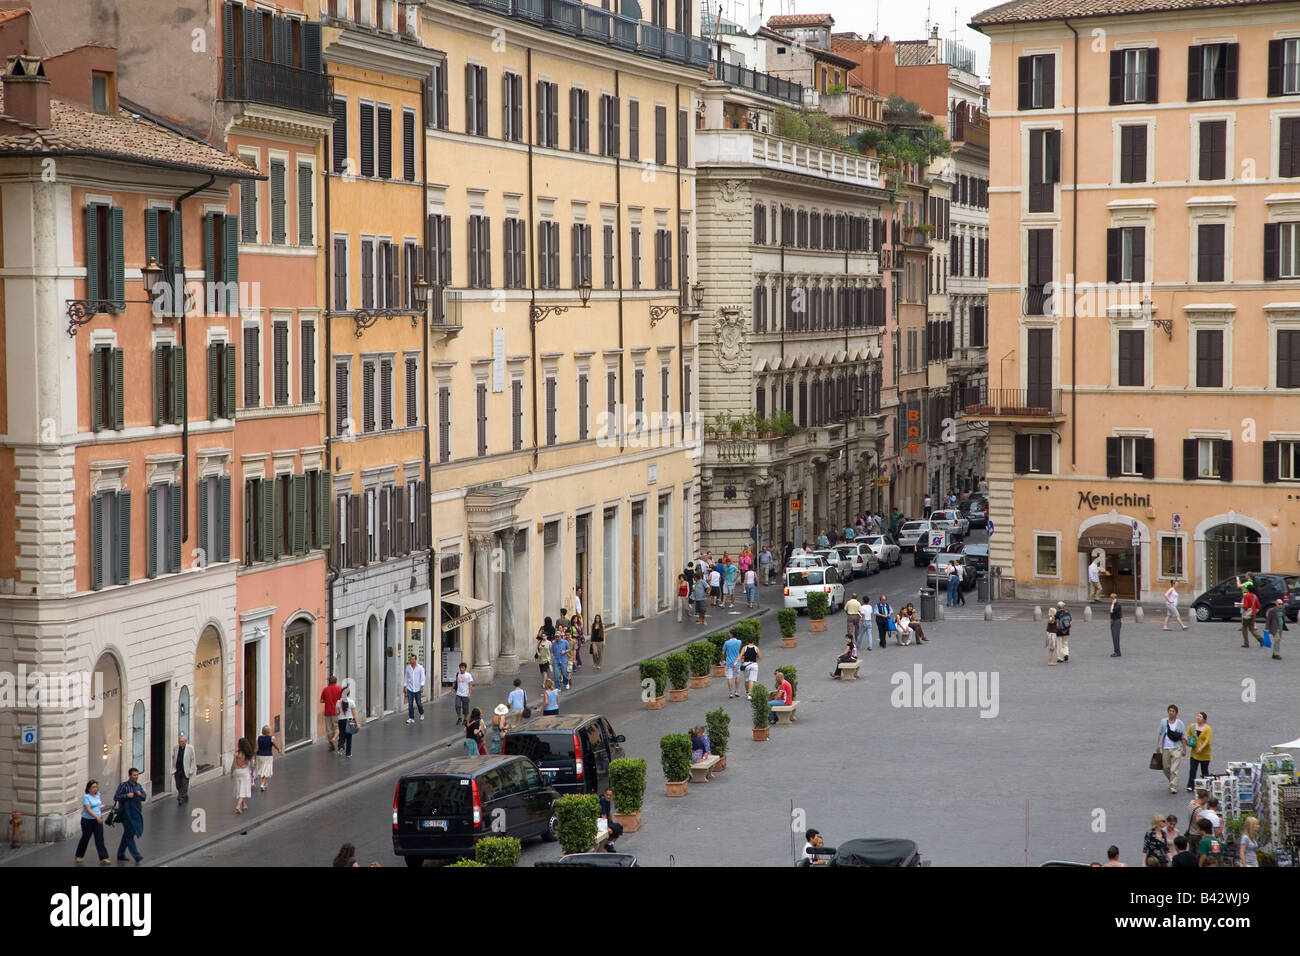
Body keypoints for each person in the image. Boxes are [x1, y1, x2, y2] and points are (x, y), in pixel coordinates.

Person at [113, 768, 146, 863]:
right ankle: (136, 855)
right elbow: (116, 797)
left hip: (136, 813)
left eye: (137, 775)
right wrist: (127, 795)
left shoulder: (139, 786)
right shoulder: (124, 786)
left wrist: (140, 794)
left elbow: (144, 797)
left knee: (128, 833)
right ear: (129, 775)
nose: (136, 777)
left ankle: (120, 853)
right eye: (134, 775)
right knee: (129, 834)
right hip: (126, 814)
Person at [74, 780, 111, 864]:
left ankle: (103, 857)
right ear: (89, 788)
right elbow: (88, 809)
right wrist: (96, 817)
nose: (95, 789)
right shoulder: (86, 797)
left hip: (97, 819)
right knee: (85, 838)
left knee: (99, 839)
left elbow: (98, 806)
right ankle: (79, 855)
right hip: (87, 820)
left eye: (96, 787)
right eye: (93, 787)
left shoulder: (98, 795)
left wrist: (99, 817)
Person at [1157, 704, 1188, 795]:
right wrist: (1158, 746)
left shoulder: (1180, 723)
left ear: (1176, 713)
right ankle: (1172, 780)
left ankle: (1173, 787)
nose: (1171, 712)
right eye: (1170, 711)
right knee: (1166, 768)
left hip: (1176, 748)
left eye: (1173, 711)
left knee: (1174, 769)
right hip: (1165, 748)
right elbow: (1160, 733)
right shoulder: (1163, 722)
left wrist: (1184, 749)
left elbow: (1183, 737)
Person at [1186, 712, 1211, 792]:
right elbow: (1188, 734)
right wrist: (1189, 742)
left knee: (1204, 770)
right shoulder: (1192, 726)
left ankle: (1206, 785)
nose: (1198, 717)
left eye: (1200, 716)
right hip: (1194, 753)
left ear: (1204, 719)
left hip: (1205, 754)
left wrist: (1201, 748)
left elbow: (1207, 740)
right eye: (1197, 716)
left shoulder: (1207, 728)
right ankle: (1190, 785)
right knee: (1192, 769)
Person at [321, 675, 344, 751]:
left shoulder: (325, 689)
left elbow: (321, 700)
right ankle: (334, 739)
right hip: (336, 711)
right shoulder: (339, 689)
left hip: (328, 711)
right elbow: (343, 699)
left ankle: (331, 745)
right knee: (337, 727)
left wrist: (327, 701)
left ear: (329, 681)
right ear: (336, 681)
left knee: (329, 729)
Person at [255, 725, 281, 792]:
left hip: (259, 755)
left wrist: (254, 755)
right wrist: (279, 750)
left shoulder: (258, 738)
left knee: (263, 769)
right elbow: (275, 745)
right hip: (268, 756)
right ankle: (263, 784)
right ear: (269, 731)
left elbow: (256, 748)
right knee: (267, 770)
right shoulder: (271, 738)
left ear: (262, 731)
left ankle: (265, 783)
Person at [231, 738, 253, 814]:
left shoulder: (237, 754)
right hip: (245, 772)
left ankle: (244, 805)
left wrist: (231, 773)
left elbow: (233, 764)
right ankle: (238, 805)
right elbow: (252, 765)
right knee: (244, 789)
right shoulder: (248, 754)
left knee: (240, 788)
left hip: (237, 771)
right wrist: (252, 773)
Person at [174, 733, 197, 806]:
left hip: (186, 769)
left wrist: (191, 770)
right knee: (178, 784)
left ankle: (181, 797)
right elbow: (173, 757)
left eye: (182, 742)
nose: (180, 743)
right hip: (177, 769)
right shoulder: (175, 747)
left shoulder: (190, 748)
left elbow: (193, 760)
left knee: (184, 784)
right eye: (179, 741)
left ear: (185, 742)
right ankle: (184, 795)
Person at [598, 787, 624, 851]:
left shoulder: (608, 801)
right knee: (613, 829)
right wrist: (607, 827)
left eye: (610, 795)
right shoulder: (603, 801)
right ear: (604, 794)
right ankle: (607, 844)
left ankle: (610, 844)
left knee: (619, 827)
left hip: (607, 821)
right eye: (607, 795)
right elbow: (603, 815)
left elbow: (608, 813)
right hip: (601, 822)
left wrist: (612, 822)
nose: (609, 797)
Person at [404, 654, 426, 724]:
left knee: (419, 703)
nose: (412, 661)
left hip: (417, 688)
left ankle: (421, 713)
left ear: (415, 660)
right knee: (410, 704)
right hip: (410, 688)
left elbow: (423, 677)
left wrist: (422, 686)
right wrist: (405, 686)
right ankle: (411, 718)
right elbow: (406, 678)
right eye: (411, 659)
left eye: (413, 659)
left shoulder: (420, 668)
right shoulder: (408, 668)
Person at [337, 689, 359, 758]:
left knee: (341, 735)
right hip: (350, 720)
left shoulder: (338, 702)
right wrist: (357, 723)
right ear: (348, 694)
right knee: (349, 737)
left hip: (341, 720)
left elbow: (337, 713)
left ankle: (341, 746)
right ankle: (348, 753)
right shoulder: (351, 702)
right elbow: (354, 713)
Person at [723, 629, 743, 699]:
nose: (729, 634)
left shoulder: (726, 643)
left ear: (731, 634)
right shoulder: (739, 642)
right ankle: (737, 691)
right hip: (737, 662)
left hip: (729, 662)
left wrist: (722, 659)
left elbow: (723, 652)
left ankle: (730, 693)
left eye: (729, 633)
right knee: (737, 676)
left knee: (729, 677)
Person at [740, 634, 761, 699]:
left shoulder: (744, 648)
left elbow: (741, 655)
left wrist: (741, 660)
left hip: (746, 664)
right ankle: (750, 694)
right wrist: (756, 657)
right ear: (753, 641)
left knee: (746, 680)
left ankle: (747, 692)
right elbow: (760, 657)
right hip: (754, 664)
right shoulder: (756, 648)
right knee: (751, 679)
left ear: (747, 641)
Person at [535, 621, 554, 686]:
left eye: (544, 636)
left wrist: (551, 659)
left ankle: (544, 683)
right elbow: (536, 648)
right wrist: (538, 653)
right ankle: (545, 680)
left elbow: (551, 651)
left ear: (547, 636)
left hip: (547, 659)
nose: (543, 637)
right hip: (541, 659)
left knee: (545, 671)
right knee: (541, 671)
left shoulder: (549, 642)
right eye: (542, 636)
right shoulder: (539, 641)